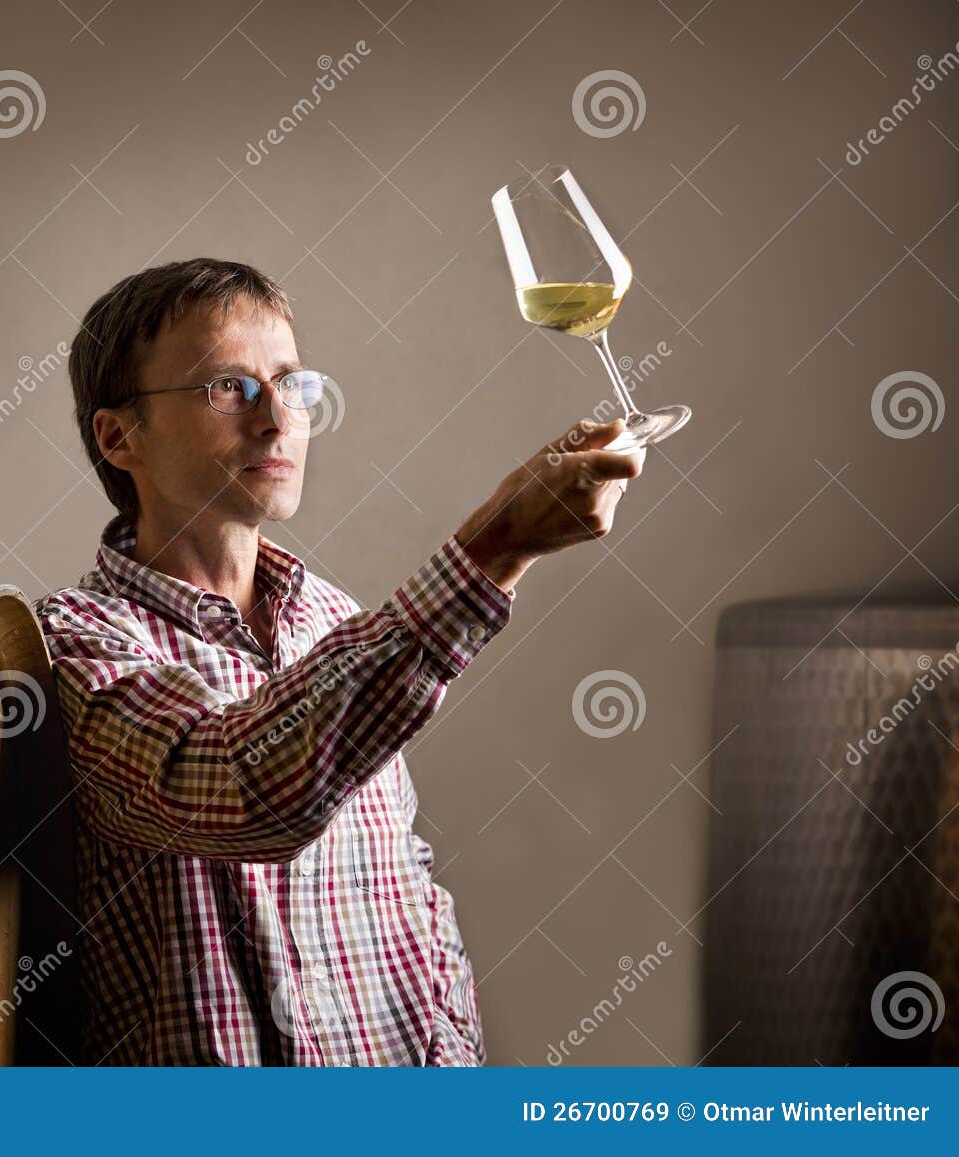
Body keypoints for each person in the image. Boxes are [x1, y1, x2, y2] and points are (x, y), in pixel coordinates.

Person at [34, 258, 642, 1065]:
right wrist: (495, 548)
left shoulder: (334, 617)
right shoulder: (75, 644)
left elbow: (404, 873)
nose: (276, 417)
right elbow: (242, 790)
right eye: (227, 387)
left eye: (290, 382)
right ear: (120, 436)